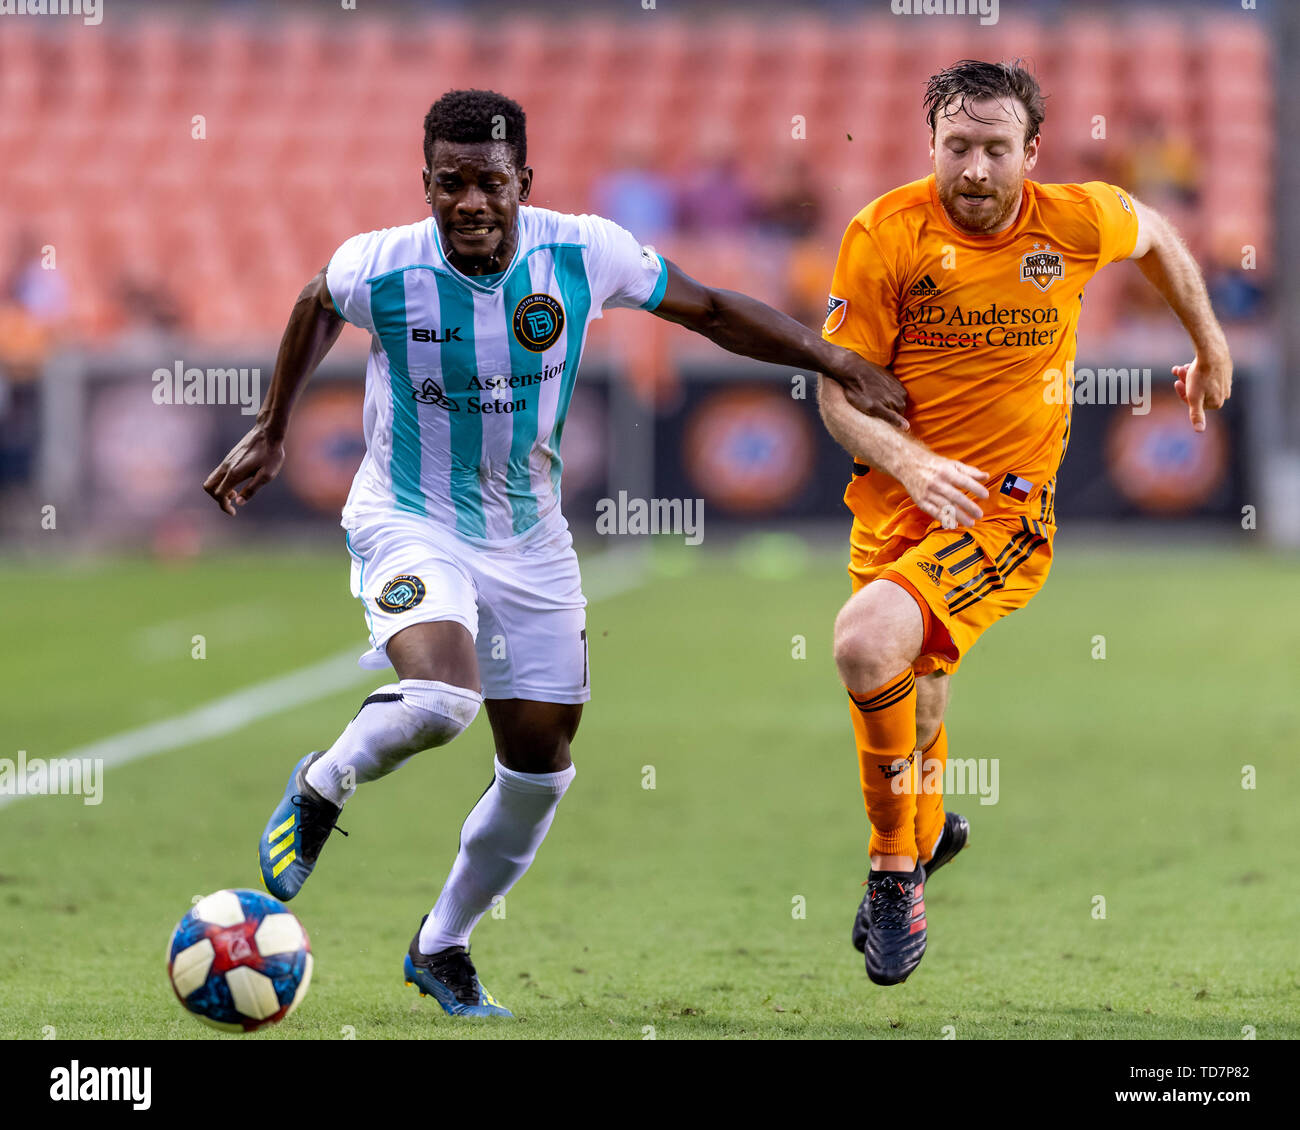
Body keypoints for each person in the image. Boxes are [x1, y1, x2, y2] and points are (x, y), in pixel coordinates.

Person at [203, 89, 905, 1019]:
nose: (470, 203)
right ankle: (323, 781)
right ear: (426, 185)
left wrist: (834, 360)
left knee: (539, 768)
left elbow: (708, 309)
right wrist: (271, 428)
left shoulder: (584, 250)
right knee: (443, 698)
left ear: (521, 182)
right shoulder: (382, 264)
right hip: (409, 516)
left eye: (489, 182)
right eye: (449, 184)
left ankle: (441, 945)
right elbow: (313, 302)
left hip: (530, 534)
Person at [817, 60, 1232, 986]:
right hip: (892, 508)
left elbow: (1157, 233)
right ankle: (929, 831)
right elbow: (837, 396)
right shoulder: (882, 235)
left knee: (864, 640)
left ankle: (893, 869)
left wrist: (1208, 343)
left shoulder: (1073, 220)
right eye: (956, 147)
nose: (973, 169)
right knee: (914, 688)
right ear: (930, 144)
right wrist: (910, 462)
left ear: (1031, 151)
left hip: (1005, 512)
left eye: (994, 149)